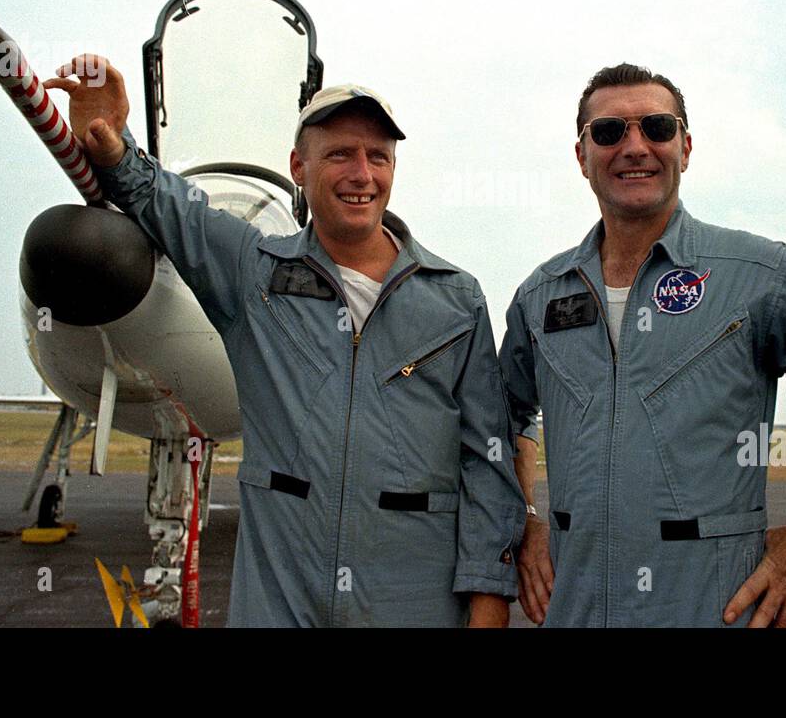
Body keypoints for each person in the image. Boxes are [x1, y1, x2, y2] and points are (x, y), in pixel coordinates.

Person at [46, 57, 524, 627]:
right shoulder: (255, 274)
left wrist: (491, 601)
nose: (361, 174)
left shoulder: (455, 300)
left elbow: (486, 461)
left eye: (378, 157)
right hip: (282, 602)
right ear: (299, 165)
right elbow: (167, 204)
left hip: (413, 603)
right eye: (340, 154)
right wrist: (114, 143)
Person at [501, 63, 786, 627]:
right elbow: (507, 416)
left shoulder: (763, 276)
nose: (634, 147)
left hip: (713, 609)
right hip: (574, 610)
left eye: (657, 128)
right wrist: (527, 520)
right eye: (608, 132)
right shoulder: (539, 297)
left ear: (686, 146)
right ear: (581, 155)